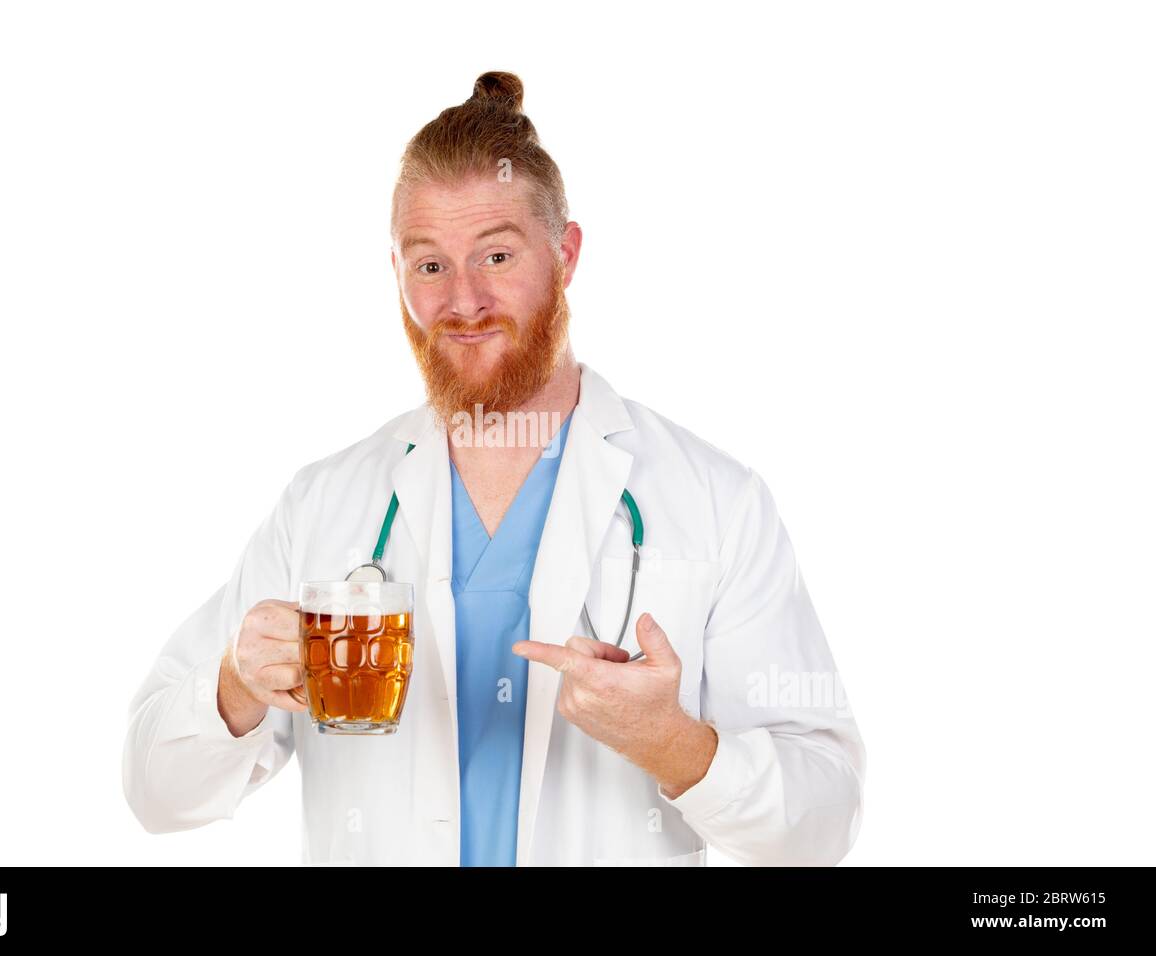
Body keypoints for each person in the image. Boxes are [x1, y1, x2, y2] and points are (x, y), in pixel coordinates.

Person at [122, 71, 867, 866]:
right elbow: (153, 791)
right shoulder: (325, 504)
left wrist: (676, 745)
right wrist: (235, 689)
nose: (464, 301)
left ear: (566, 254)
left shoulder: (715, 501)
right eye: (429, 265)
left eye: (497, 255)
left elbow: (825, 821)